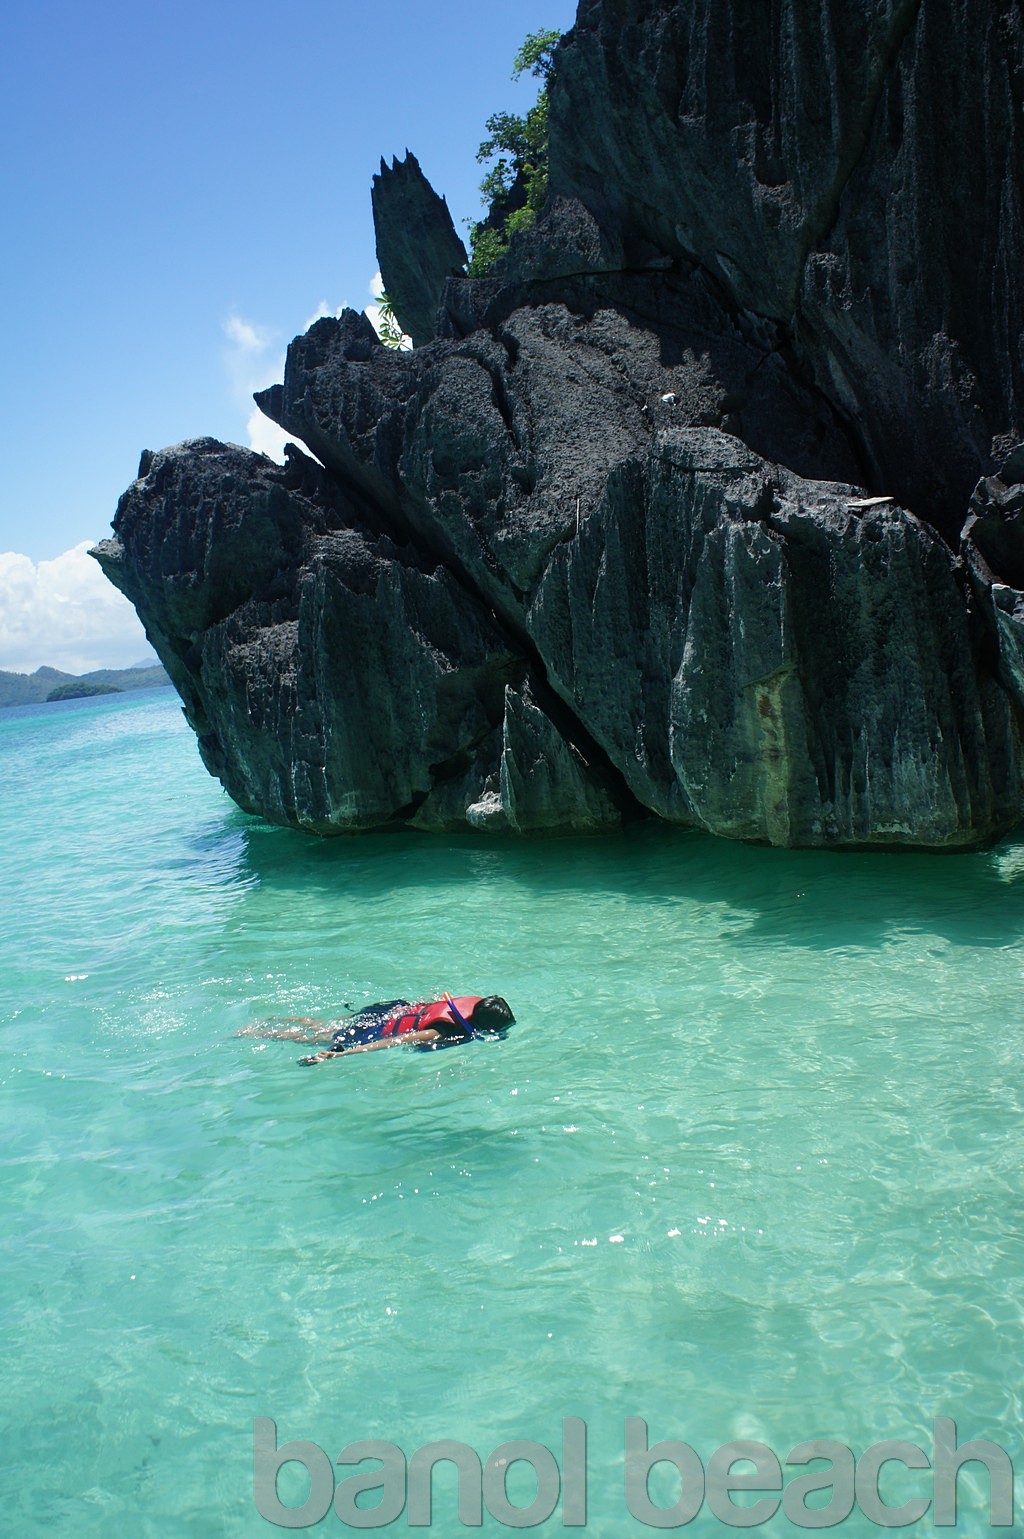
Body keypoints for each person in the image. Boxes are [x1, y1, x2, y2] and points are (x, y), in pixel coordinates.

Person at [240, 994, 515, 1065]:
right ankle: (259, 1032)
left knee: (326, 1026)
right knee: (320, 1038)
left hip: (393, 1009)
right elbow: (392, 1042)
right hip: (382, 1026)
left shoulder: (473, 1005)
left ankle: (277, 1017)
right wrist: (339, 1054)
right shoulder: (440, 1031)